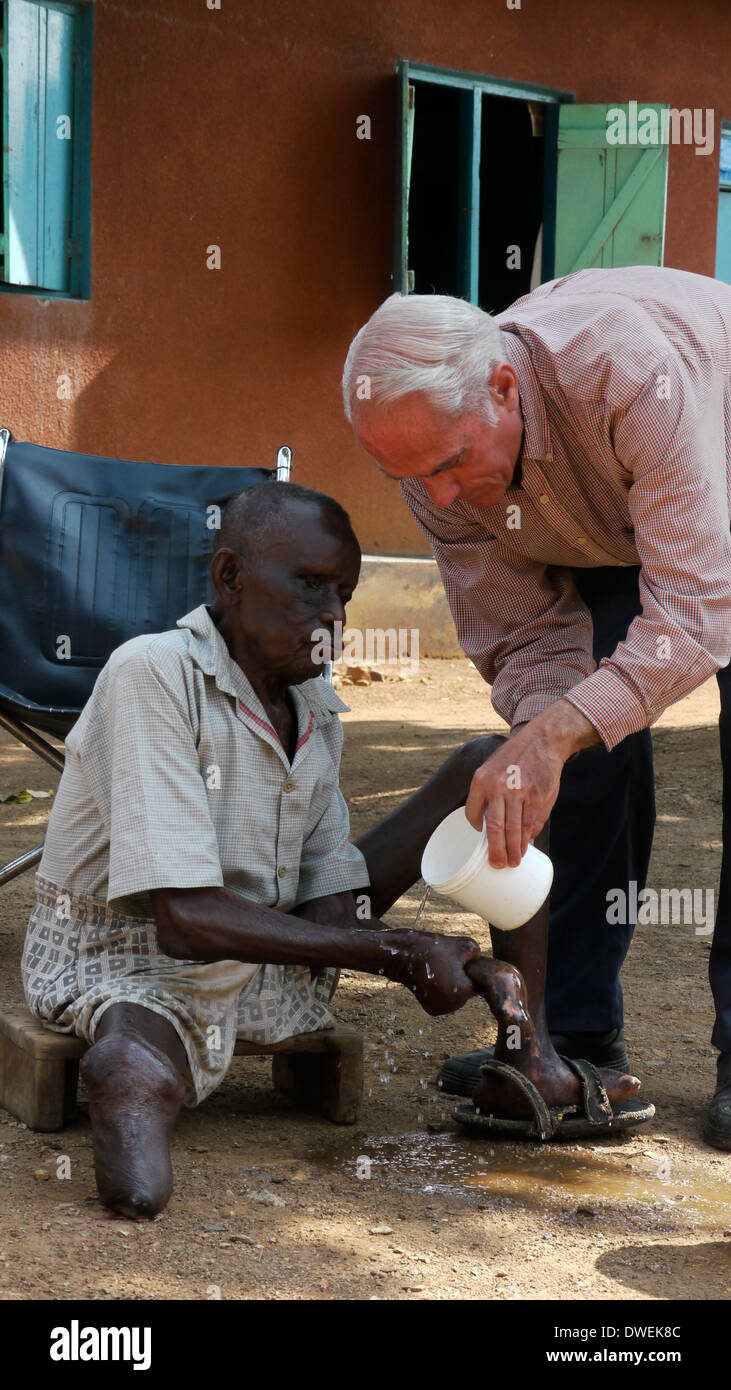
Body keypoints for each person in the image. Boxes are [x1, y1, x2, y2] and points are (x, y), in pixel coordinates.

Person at [22, 480, 552, 1219]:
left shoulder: (313, 706)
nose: (332, 615)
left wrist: (459, 957)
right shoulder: (152, 671)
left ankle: (533, 1055)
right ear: (230, 578)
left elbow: (332, 909)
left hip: (272, 955)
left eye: (344, 593)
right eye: (308, 585)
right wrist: (396, 953)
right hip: (132, 956)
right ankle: (132, 1070)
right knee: (136, 1124)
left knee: (493, 765)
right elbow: (180, 920)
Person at [342, 266, 731, 1148]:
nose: (437, 499)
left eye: (448, 466)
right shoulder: (431, 458)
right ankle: (572, 1038)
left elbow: (695, 617)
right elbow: (527, 641)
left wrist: (551, 732)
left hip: (721, 474)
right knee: (573, 751)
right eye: (407, 477)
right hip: (609, 512)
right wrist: (547, 738)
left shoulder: (624, 372)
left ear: (505, 388)